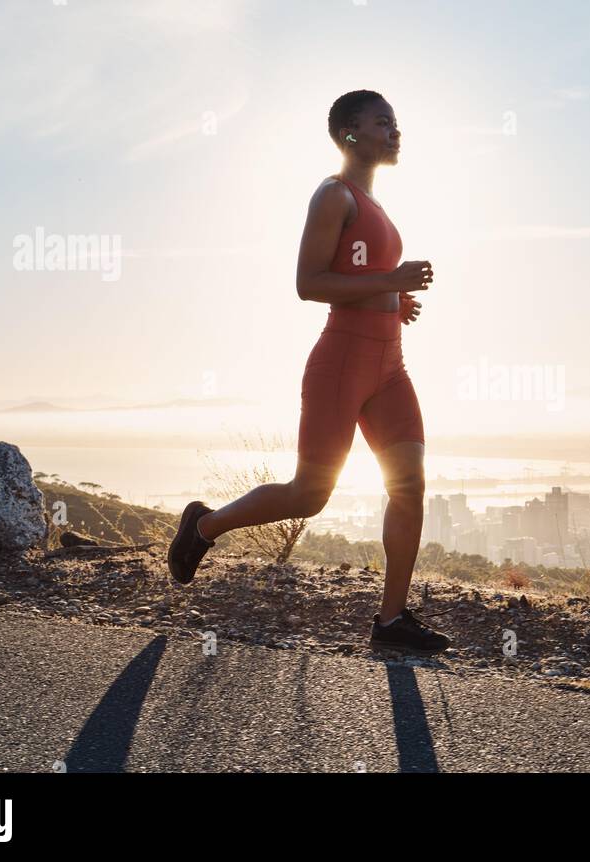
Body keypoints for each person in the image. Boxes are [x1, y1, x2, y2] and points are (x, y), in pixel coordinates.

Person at [167, 89, 450, 655]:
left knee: (411, 483)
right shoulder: (333, 195)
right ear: (350, 134)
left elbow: (360, 278)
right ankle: (202, 526)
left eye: (397, 123)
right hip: (342, 361)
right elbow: (309, 283)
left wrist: (395, 302)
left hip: (390, 365)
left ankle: (390, 620)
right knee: (309, 495)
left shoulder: (377, 204)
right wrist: (391, 283)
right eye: (383, 123)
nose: (396, 132)